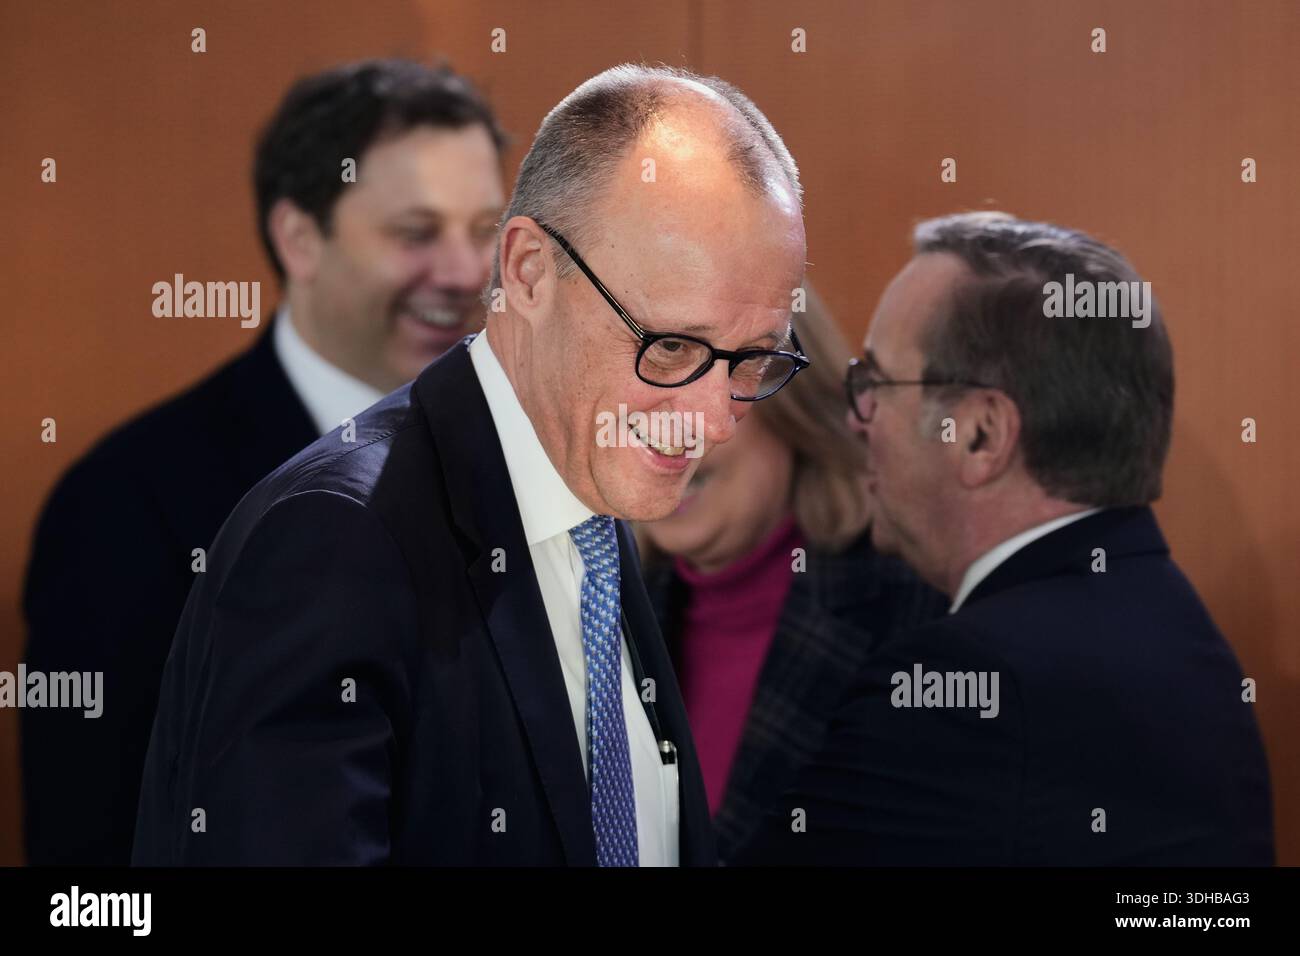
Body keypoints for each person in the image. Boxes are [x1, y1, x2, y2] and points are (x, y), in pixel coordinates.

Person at [132, 64, 810, 866]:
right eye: (670, 348)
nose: (710, 422)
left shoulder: (597, 504)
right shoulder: (334, 541)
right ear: (527, 271)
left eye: (753, 361)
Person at [20, 58, 507, 866]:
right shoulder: (123, 505)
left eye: (484, 229)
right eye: (415, 233)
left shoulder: (522, 468)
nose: (463, 274)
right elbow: (89, 860)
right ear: (298, 238)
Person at [739, 212, 1274, 865]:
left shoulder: (961, 687)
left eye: (876, 383)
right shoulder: (1186, 638)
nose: (856, 419)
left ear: (980, 435)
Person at [636, 284, 945, 863]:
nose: (668, 430)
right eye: (648, 380)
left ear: (791, 398)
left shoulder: (917, 612)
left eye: (706, 380)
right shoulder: (604, 609)